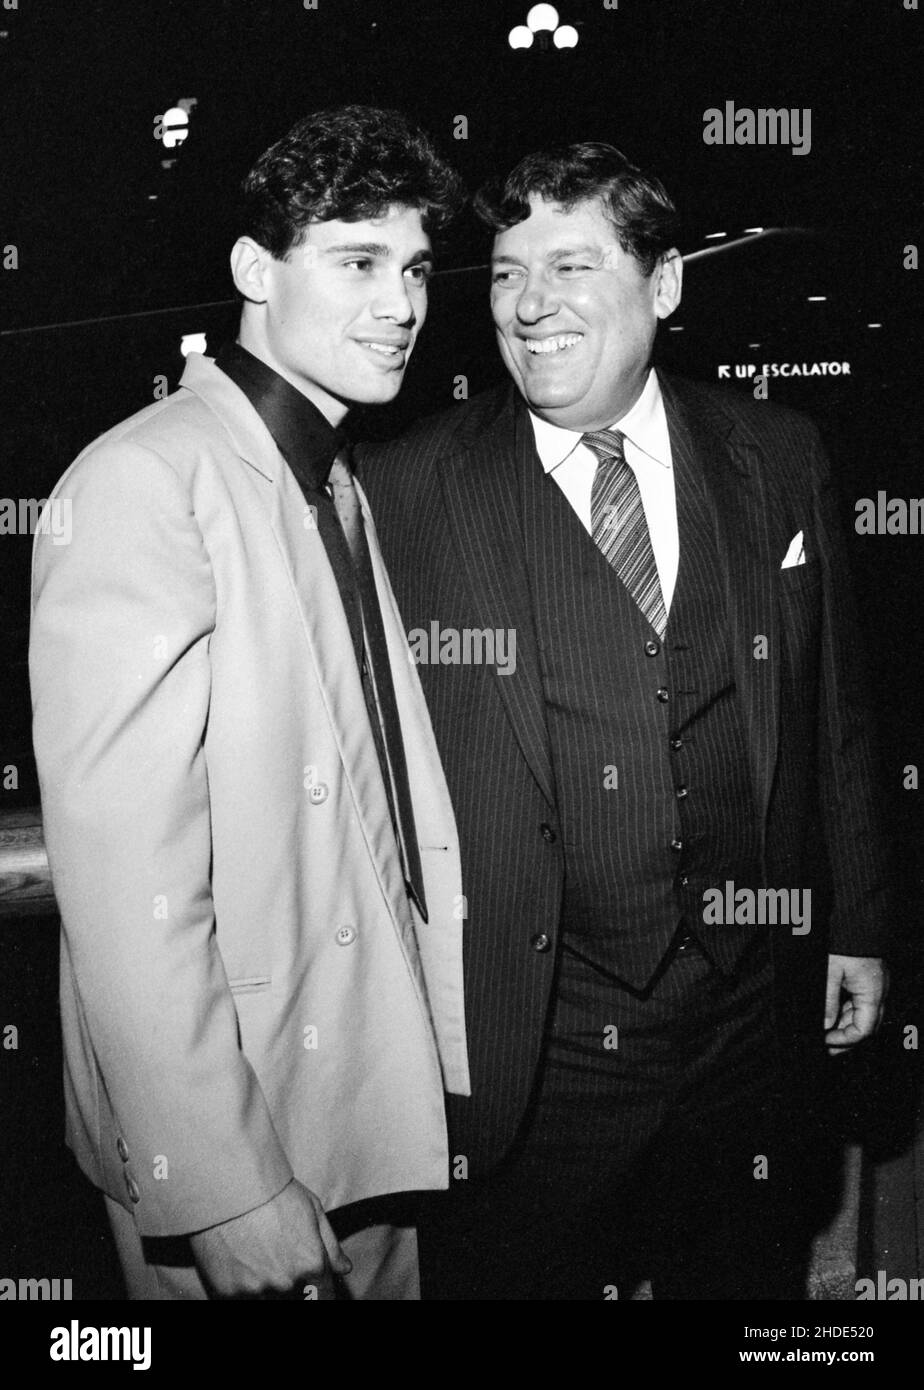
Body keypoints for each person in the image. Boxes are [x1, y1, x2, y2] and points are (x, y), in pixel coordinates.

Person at [358, 142, 889, 1300]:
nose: (530, 304)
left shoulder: (778, 455)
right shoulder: (405, 491)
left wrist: (856, 921)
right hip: (535, 1055)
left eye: (569, 264)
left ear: (666, 284)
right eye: (504, 273)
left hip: (751, 1026)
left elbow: (836, 710)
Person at [29, 105, 469, 1301]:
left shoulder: (333, 479)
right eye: (359, 261)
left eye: (418, 268)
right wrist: (221, 1182)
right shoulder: (142, 480)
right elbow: (126, 888)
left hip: (357, 1102)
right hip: (245, 1129)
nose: (403, 305)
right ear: (253, 271)